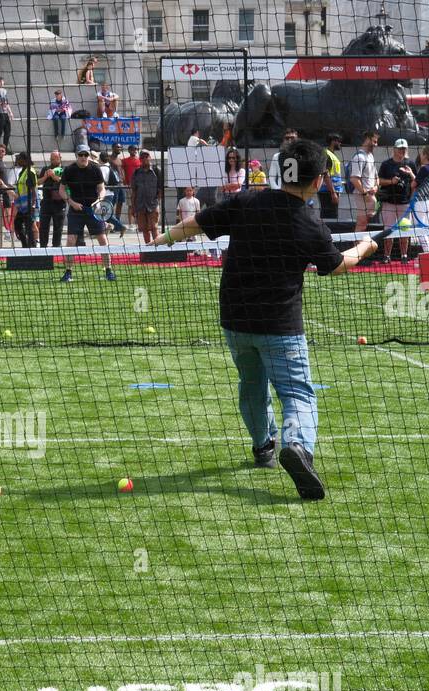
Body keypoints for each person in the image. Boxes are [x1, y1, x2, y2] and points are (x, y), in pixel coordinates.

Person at [152, 138, 380, 500]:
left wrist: (162, 238)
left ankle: (264, 447)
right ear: (317, 180)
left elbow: (196, 222)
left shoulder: (247, 200)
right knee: (297, 394)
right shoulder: (308, 222)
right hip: (280, 326)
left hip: (235, 320)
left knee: (252, 385)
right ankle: (297, 445)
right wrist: (365, 247)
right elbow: (337, 265)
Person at [59, 145, 115, 283]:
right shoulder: (69, 170)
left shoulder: (95, 169)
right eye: (81, 155)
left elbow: (101, 189)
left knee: (102, 239)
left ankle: (108, 270)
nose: (83, 157)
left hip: (93, 209)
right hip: (75, 209)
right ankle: (68, 272)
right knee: (71, 240)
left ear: (89, 155)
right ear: (77, 156)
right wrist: (71, 203)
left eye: (86, 155)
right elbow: (61, 190)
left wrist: (99, 200)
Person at [376, 139, 415, 262]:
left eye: (404, 149)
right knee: (388, 229)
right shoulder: (386, 164)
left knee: (405, 230)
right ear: (394, 149)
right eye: (400, 149)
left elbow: (416, 182)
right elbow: (378, 181)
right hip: (389, 202)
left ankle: (404, 255)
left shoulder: (410, 164)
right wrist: (391, 182)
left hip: (405, 202)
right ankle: (387, 256)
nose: (402, 151)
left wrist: (411, 174)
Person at [348, 132, 379, 234]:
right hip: (362, 196)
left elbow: (376, 177)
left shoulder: (370, 156)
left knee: (366, 224)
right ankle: (357, 247)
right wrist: (364, 193)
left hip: (371, 196)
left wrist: (376, 186)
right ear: (367, 139)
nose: (376, 144)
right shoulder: (359, 157)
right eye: (374, 141)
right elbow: (354, 178)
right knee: (361, 223)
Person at [130, 150, 161, 244]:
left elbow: (160, 189)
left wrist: (157, 202)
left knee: (154, 227)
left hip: (152, 204)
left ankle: (158, 247)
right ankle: (148, 248)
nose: (144, 159)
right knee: (144, 229)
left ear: (150, 157)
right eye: (142, 157)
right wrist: (133, 207)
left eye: (146, 156)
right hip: (140, 205)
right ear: (140, 159)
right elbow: (134, 191)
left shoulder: (156, 170)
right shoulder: (136, 173)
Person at [38, 150, 66, 248]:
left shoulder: (64, 169)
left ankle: (56, 246)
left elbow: (66, 182)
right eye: (52, 159)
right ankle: (43, 246)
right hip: (46, 202)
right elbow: (38, 182)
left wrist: (54, 177)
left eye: (55, 158)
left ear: (60, 158)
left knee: (58, 227)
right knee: (43, 227)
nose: (53, 161)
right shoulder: (46, 169)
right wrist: (46, 176)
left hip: (59, 203)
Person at [12, 152, 38, 248]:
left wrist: (34, 203)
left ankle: (32, 246)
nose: (17, 161)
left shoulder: (30, 171)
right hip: (23, 205)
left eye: (19, 159)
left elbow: (33, 188)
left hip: (29, 204)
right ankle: (26, 245)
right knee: (18, 224)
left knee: (28, 227)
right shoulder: (23, 171)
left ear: (25, 160)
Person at [97, 151, 126, 235]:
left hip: (105, 194)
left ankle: (120, 226)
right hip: (111, 193)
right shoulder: (110, 167)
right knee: (104, 213)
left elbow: (101, 182)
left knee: (104, 213)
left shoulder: (102, 169)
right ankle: (105, 229)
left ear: (100, 158)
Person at [318, 132, 342, 220]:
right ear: (333, 142)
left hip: (331, 191)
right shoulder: (327, 154)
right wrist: (333, 193)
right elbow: (325, 174)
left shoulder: (332, 155)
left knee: (331, 215)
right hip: (327, 192)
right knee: (329, 217)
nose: (340, 143)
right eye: (338, 141)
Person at [0, 76, 13, 149]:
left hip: (5, 112)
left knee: (7, 131)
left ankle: (5, 148)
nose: (1, 82)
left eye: (2, 81)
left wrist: (10, 113)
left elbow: (7, 103)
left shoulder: (5, 90)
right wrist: (0, 104)